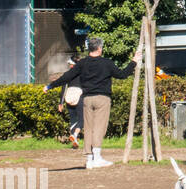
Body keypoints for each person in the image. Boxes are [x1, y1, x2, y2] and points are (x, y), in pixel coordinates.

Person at [45, 37, 139, 169]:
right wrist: (133, 62)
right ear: (100, 48)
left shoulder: (82, 63)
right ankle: (98, 157)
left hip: (87, 99)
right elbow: (122, 74)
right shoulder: (107, 63)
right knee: (99, 127)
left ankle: (89, 159)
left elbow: (67, 76)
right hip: (102, 98)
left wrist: (50, 86)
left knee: (88, 128)